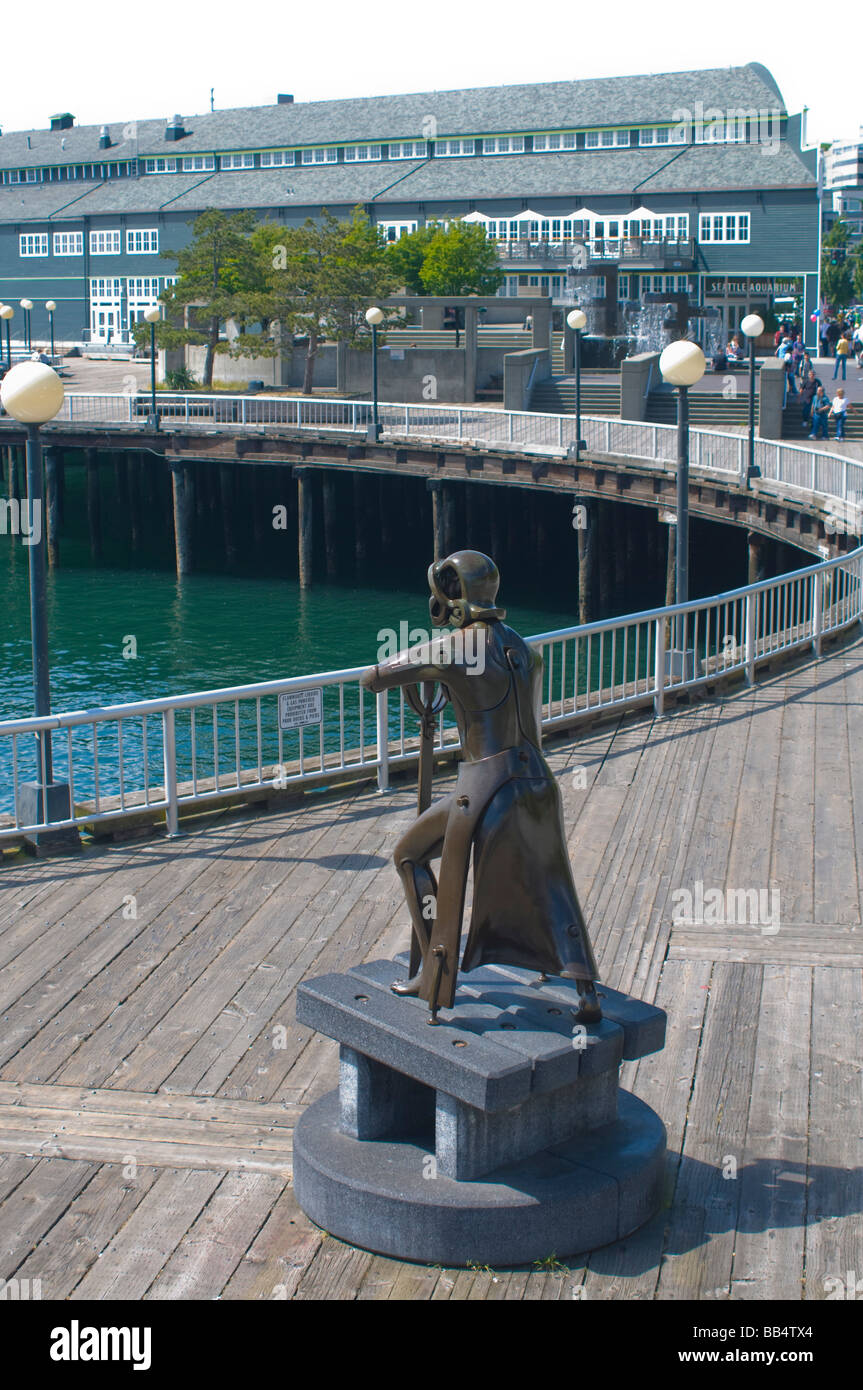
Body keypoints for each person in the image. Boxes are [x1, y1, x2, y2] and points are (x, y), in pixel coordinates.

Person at [359, 550, 601, 1021]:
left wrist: (427, 663)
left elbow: (375, 677)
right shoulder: (525, 650)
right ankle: (586, 991)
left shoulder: (455, 649)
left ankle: (434, 972)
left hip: (486, 785)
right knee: (552, 883)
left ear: (456, 597)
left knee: (409, 855)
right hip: (537, 781)